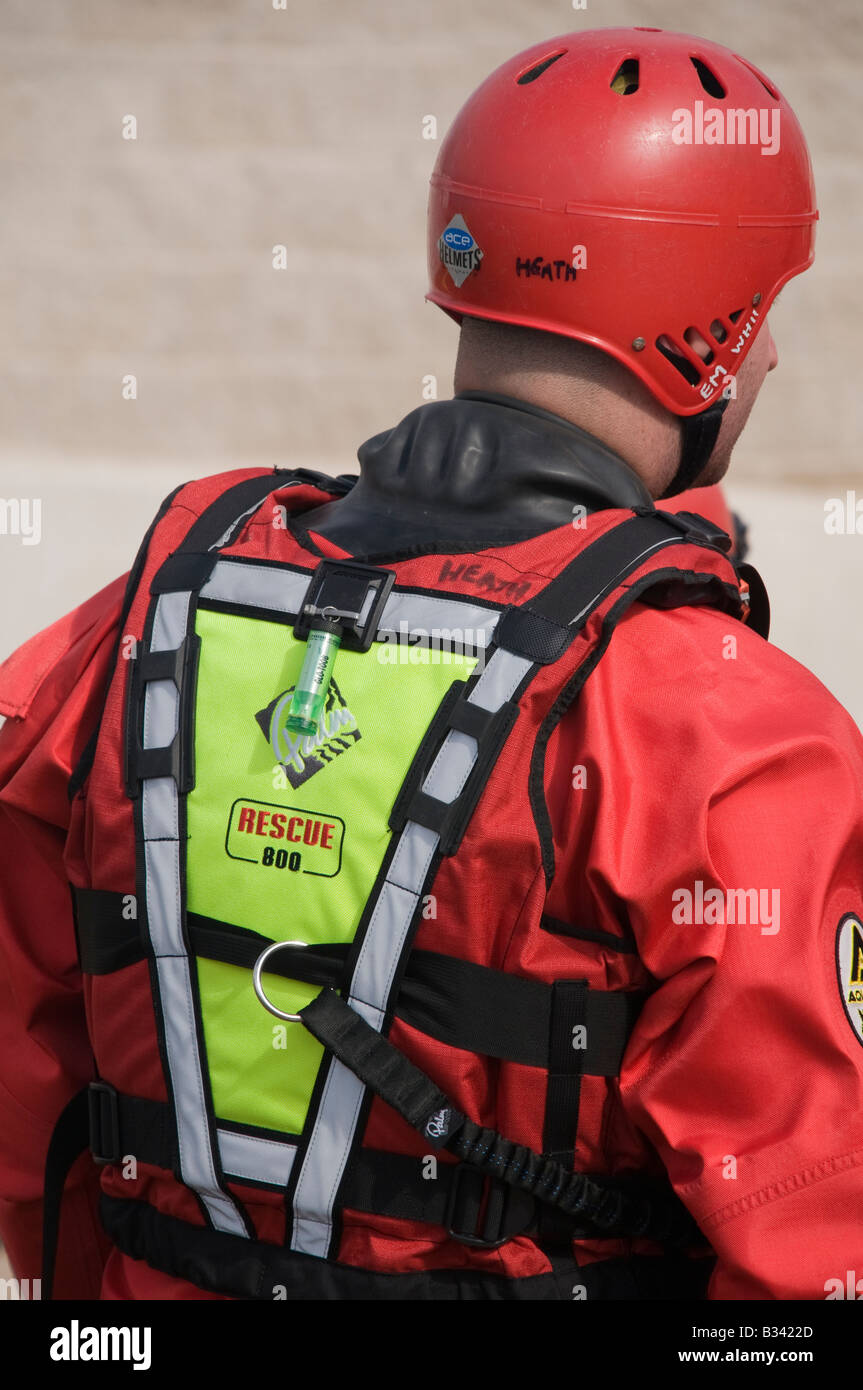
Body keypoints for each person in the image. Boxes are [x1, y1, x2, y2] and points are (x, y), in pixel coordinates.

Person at [0, 27, 860, 1303]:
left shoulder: (140, 618)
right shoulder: (730, 727)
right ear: (714, 331)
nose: (776, 358)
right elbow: (809, 1246)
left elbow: (30, 1111)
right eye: (767, 316)